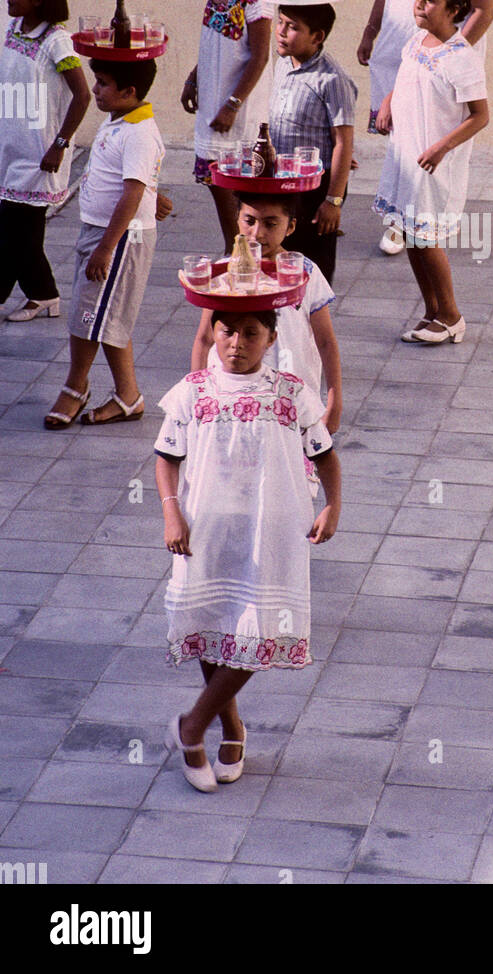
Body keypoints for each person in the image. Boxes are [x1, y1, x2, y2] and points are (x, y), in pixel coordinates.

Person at [157, 307, 340, 790]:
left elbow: (325, 456)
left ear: (271, 338)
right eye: (227, 331)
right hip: (207, 526)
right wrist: (171, 511)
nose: (237, 342)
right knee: (213, 620)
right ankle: (232, 727)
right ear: (213, 333)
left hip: (272, 528)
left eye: (251, 333)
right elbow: (166, 457)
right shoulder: (192, 391)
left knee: (257, 627)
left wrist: (333, 505)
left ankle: (192, 724)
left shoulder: (291, 393)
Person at [357, 0, 493, 253]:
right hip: (403, 54)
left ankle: (429, 217)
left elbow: (484, 9)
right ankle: (400, 215)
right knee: (399, 132)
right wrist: (371, 32)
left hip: (439, 63)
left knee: (432, 134)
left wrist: (451, 52)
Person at [45, 57, 164, 428]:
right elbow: (132, 179)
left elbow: (131, 191)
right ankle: (128, 396)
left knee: (86, 316)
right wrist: (156, 199)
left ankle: (74, 388)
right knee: (107, 318)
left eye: (103, 83)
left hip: (118, 240)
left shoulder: (140, 132)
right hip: (99, 231)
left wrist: (106, 248)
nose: (94, 90)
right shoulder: (119, 120)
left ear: (129, 92)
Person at [373, 0, 488, 344]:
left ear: (454, 10)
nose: (420, 5)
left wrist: (441, 147)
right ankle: (432, 310)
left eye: (431, 0)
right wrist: (389, 101)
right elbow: (407, 77)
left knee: (425, 237)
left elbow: (480, 115)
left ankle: (452, 315)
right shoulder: (416, 40)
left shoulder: (462, 58)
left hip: (434, 162)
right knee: (409, 234)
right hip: (407, 154)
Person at [189, 191, 341, 432]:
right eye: (249, 221)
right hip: (231, 401)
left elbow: (325, 342)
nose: (257, 234)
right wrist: (197, 397)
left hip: (290, 402)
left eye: (271, 224)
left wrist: (334, 402)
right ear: (237, 218)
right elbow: (205, 338)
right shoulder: (221, 273)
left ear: (290, 226)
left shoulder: (305, 273)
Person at [0, 0, 90, 320]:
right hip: (11, 146)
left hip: (40, 153)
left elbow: (82, 96)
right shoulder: (13, 30)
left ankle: (43, 295)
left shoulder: (57, 42)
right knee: (12, 229)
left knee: (20, 231)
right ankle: (42, 293)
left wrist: (60, 143)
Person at [181, 0, 273, 251]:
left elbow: (259, 57)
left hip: (237, 114)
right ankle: (234, 249)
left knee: (234, 193)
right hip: (212, 105)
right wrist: (194, 77)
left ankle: (240, 253)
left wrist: (232, 105)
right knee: (217, 186)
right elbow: (213, 46)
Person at [268, 2, 356, 286]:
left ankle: (314, 326)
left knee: (312, 270)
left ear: (317, 37)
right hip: (282, 180)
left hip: (315, 189)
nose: (280, 32)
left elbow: (343, 141)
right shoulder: (282, 64)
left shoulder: (331, 79)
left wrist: (333, 200)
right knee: (280, 264)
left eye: (292, 27)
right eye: (280, 22)